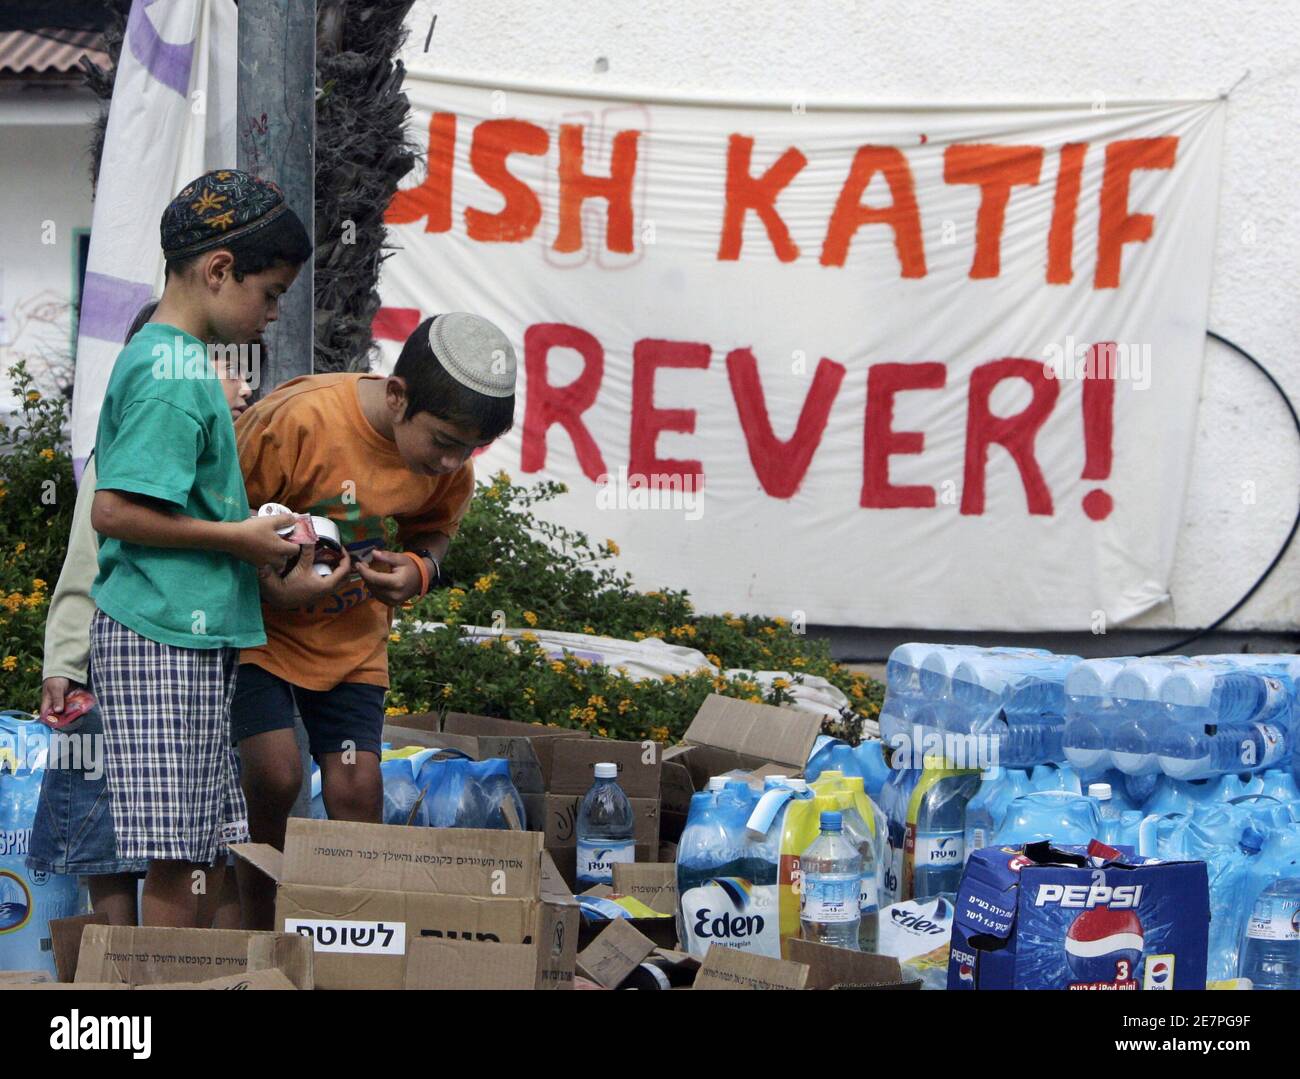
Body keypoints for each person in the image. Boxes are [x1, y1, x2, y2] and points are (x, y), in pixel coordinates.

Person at [232, 311, 517, 929]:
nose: (452, 462)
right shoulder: (298, 420)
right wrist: (276, 585)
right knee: (276, 775)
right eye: (443, 442)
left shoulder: (449, 460)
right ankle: (260, 925)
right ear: (396, 396)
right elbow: (221, 517)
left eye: (469, 450)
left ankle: (356, 934)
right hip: (261, 634)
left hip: (353, 647)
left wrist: (421, 569)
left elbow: (435, 530)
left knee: (358, 791)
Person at [88, 169, 314, 927]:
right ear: (219, 270)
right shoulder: (170, 373)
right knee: (177, 852)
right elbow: (115, 510)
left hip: (186, 631)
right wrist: (242, 538)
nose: (274, 313)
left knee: (207, 843)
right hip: (159, 635)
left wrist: (255, 543)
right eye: (272, 291)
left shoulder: (181, 363)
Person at [27, 299, 257, 926]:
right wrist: (66, 664)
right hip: (108, 677)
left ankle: (153, 963)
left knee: (192, 839)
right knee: (104, 833)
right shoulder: (126, 463)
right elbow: (85, 564)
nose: (244, 387)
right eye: (227, 368)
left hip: (174, 665)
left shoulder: (211, 463)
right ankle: (118, 966)